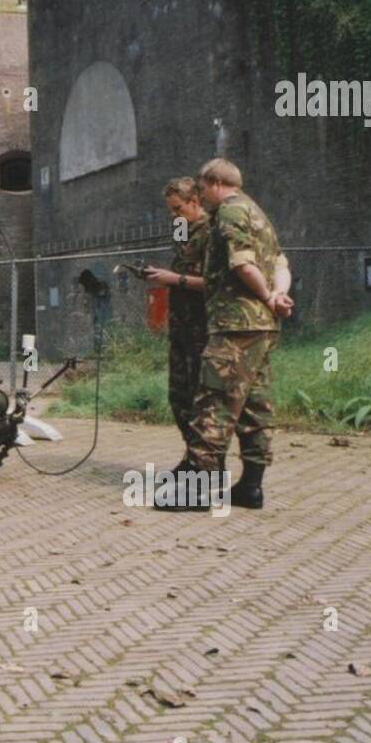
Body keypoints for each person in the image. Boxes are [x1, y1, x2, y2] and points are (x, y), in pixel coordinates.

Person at [172, 158, 292, 510]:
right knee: (256, 404)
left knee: (214, 401)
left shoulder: (229, 213)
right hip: (264, 324)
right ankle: (251, 487)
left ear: (213, 183)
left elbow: (242, 263)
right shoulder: (259, 214)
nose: (202, 196)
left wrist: (266, 295)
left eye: (203, 189)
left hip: (235, 324)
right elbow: (281, 262)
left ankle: (196, 491)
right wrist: (278, 297)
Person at [144, 177, 210, 466]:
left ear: (195, 202)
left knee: (201, 398)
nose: (173, 217)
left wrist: (173, 280)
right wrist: (157, 275)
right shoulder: (182, 229)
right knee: (178, 397)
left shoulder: (213, 232)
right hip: (180, 327)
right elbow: (180, 262)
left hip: (203, 328)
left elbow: (216, 283)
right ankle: (191, 454)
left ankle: (205, 460)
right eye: (170, 211)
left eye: (177, 209)